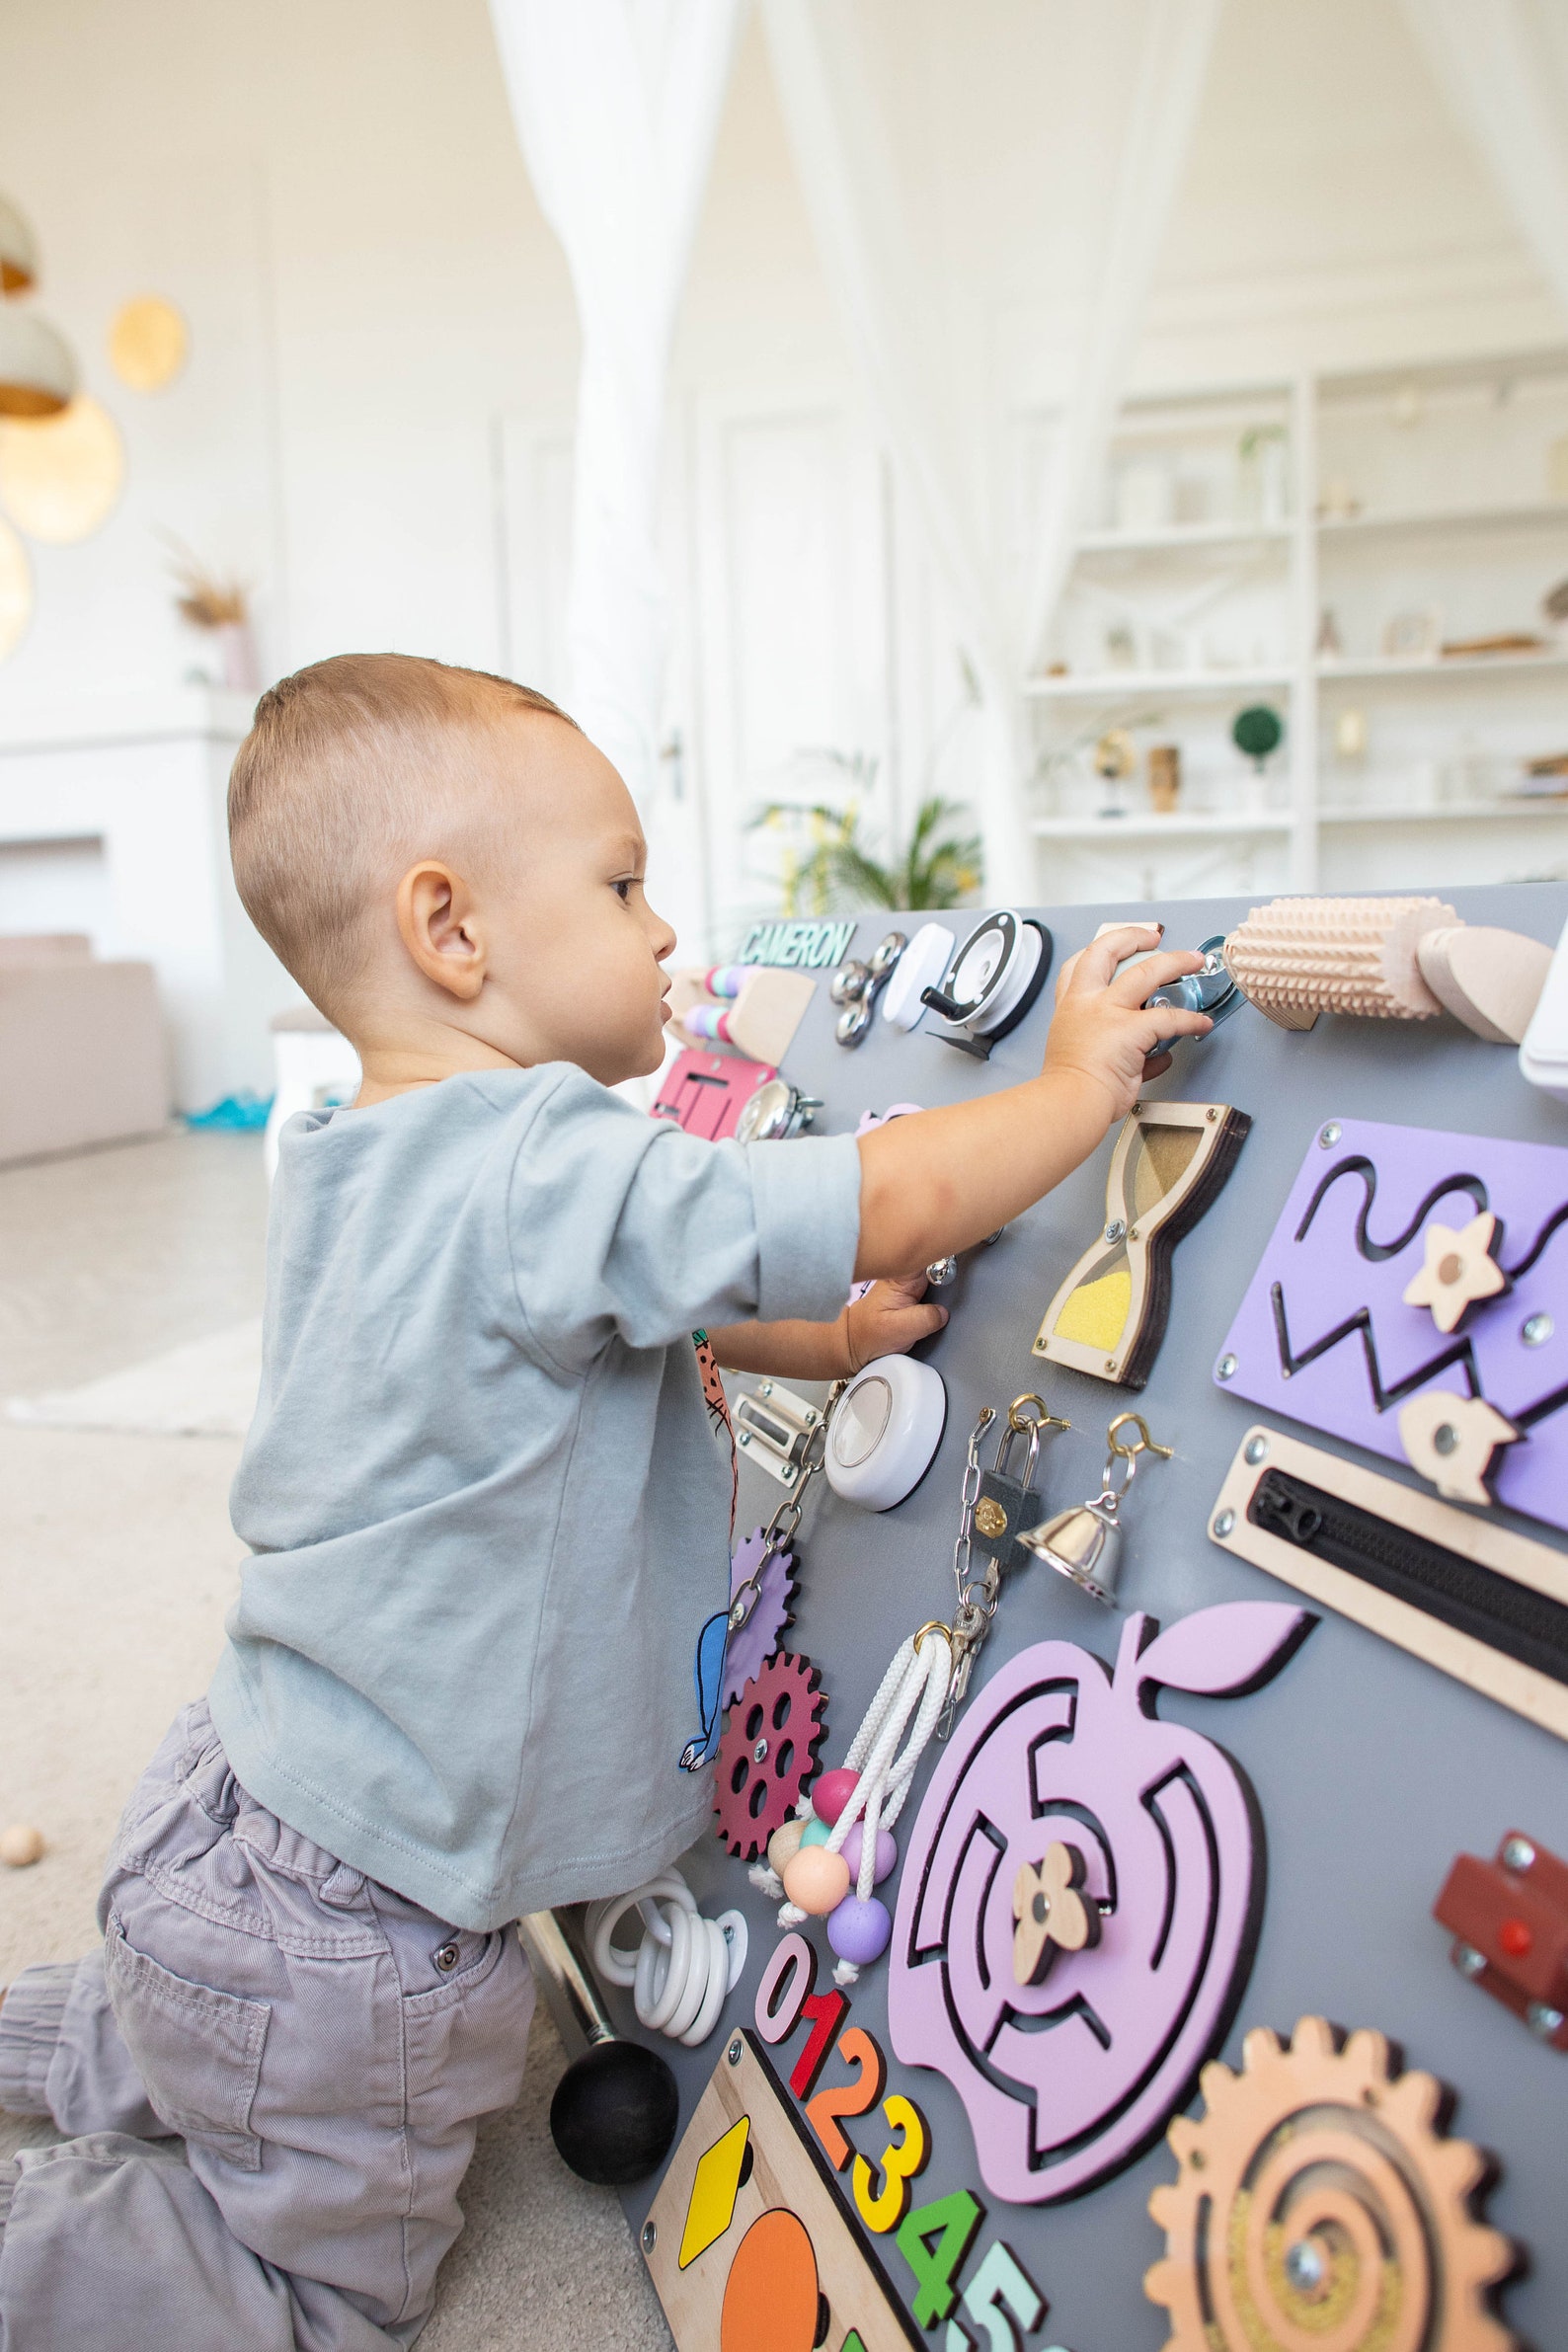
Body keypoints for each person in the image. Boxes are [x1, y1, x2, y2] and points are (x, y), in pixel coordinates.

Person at [0, 655, 1209, 2348]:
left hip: (235, 1808)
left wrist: (820, 1342)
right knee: (315, 2293)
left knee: (200, 2025)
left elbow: (616, 1322)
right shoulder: (547, 1151)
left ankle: (100, 2036)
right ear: (452, 928)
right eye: (624, 884)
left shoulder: (356, 1150)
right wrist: (1078, 1086)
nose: (664, 930)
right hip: (360, 1930)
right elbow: (882, 1196)